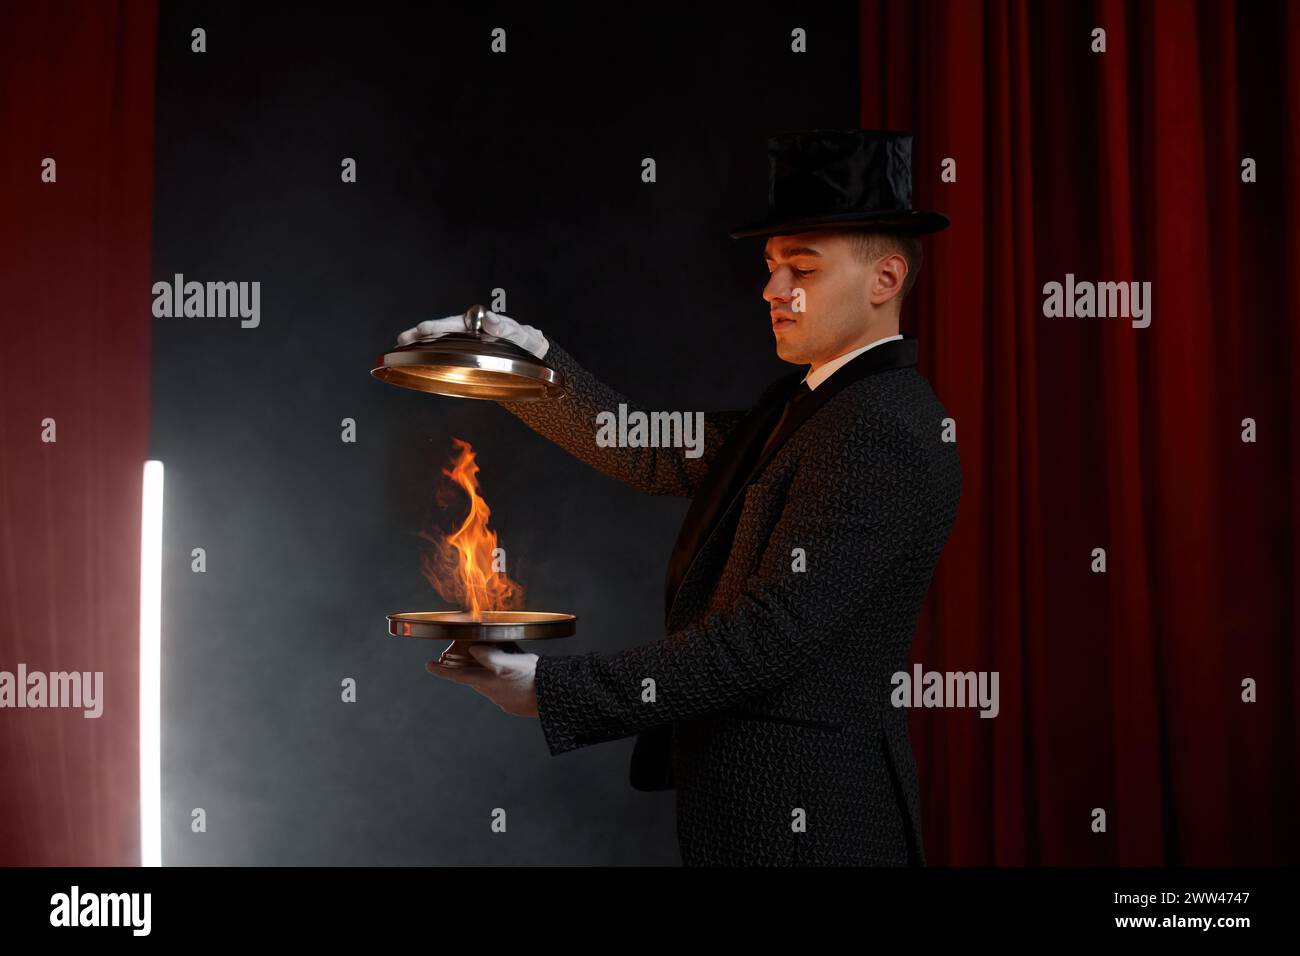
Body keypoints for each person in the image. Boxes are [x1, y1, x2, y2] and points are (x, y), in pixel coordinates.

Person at [410, 129, 961, 866]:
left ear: (885, 278)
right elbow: (651, 452)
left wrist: (552, 689)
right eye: (769, 267)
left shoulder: (881, 427)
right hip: (755, 818)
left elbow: (761, 643)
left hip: (817, 827)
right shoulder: (811, 403)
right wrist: (523, 361)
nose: (771, 290)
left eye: (800, 268)